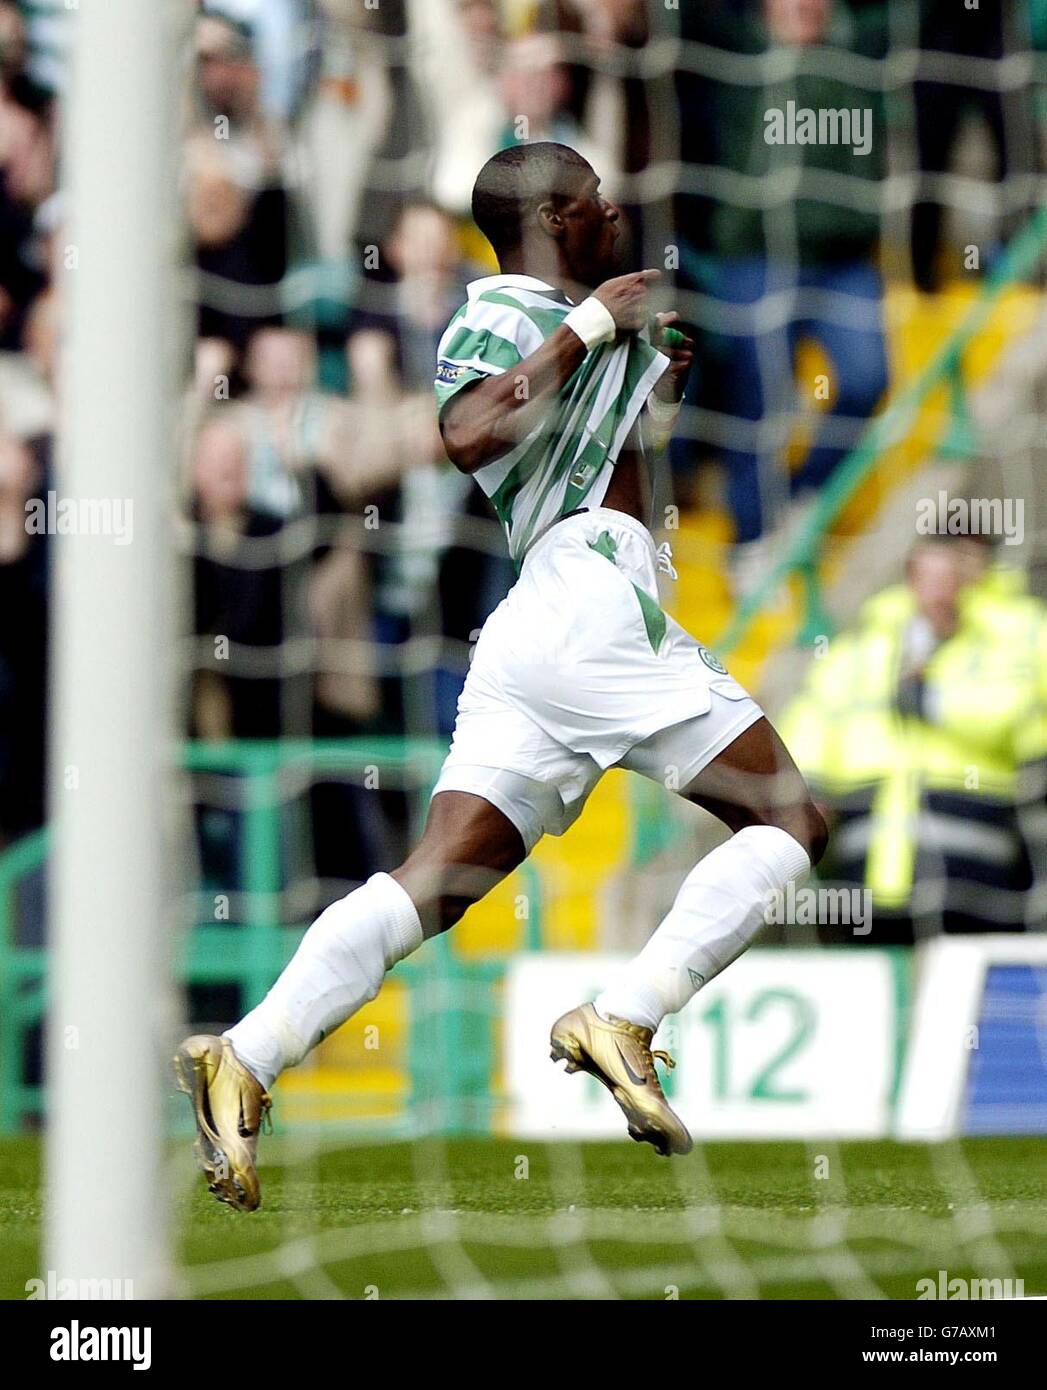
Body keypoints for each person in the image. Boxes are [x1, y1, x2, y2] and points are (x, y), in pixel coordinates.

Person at [176, 141, 827, 1211]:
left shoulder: (585, 319)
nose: (614, 212)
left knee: (435, 880)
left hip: (545, 625)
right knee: (792, 820)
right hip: (586, 602)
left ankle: (244, 1055)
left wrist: (651, 378)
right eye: (593, 201)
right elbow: (465, 431)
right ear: (555, 220)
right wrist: (592, 329)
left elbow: (592, 450)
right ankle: (625, 1016)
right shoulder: (507, 309)